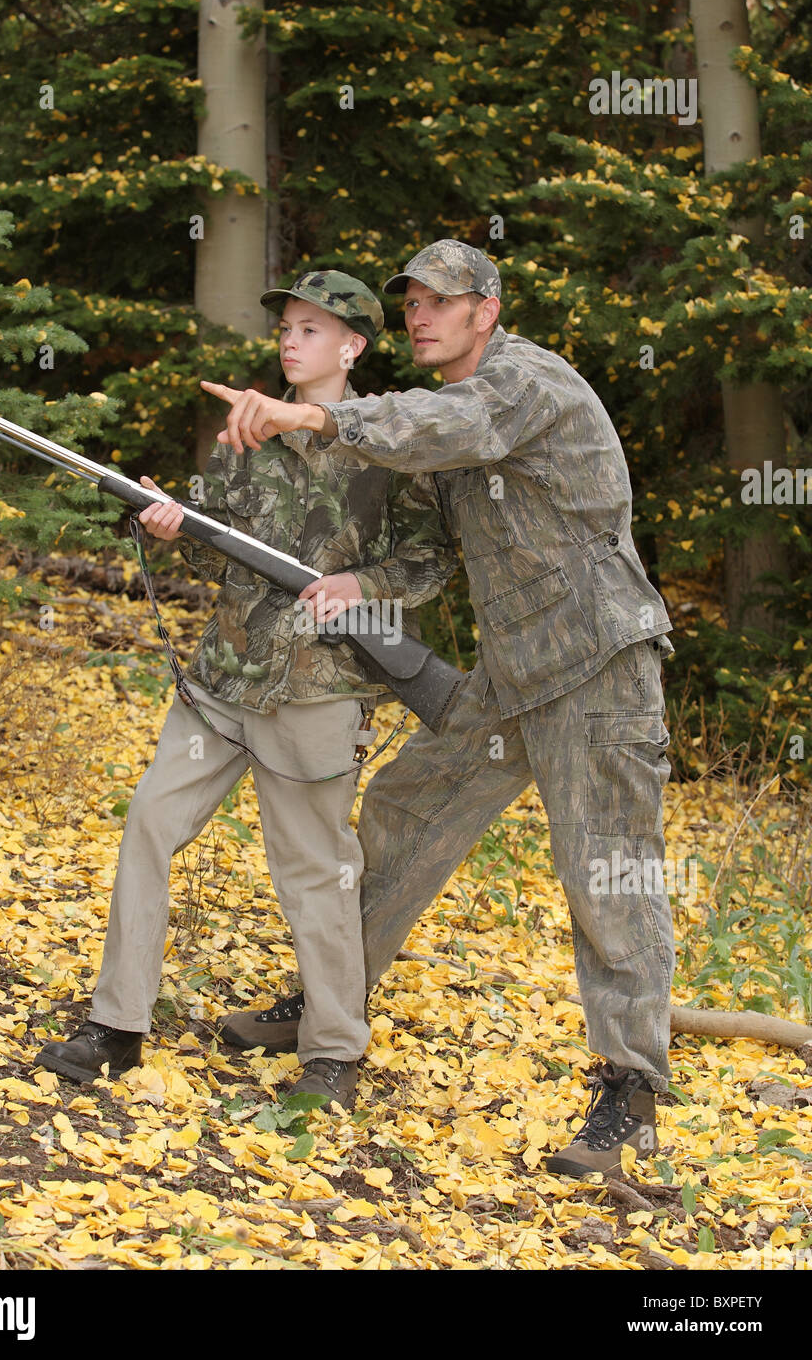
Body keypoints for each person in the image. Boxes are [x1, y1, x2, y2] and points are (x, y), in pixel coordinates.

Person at [201, 239, 676, 1176]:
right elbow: (418, 528)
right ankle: (332, 997)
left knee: (607, 873)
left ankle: (632, 1092)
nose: (419, 314)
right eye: (410, 301)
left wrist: (318, 411)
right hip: (511, 673)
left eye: (440, 301)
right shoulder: (452, 409)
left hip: (599, 665)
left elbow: (438, 424)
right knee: (402, 808)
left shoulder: (521, 384)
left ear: (486, 310)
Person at [33, 270, 456, 1110]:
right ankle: (116, 1026)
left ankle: (334, 1051)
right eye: (286, 328)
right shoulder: (241, 440)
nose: (291, 341)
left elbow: (433, 559)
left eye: (310, 329)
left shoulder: (389, 447)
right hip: (222, 682)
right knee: (150, 823)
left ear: (352, 347)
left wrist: (362, 586)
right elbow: (210, 553)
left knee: (313, 870)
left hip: (317, 692)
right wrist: (170, 521)